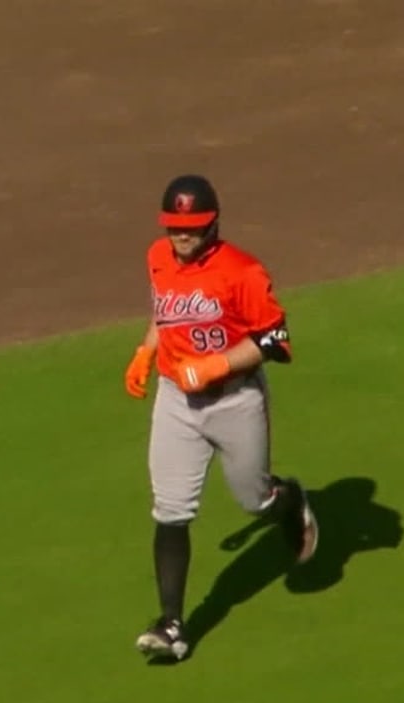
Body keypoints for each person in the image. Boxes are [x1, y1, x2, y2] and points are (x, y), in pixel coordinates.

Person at [123, 174, 319, 660]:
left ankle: (289, 501)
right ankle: (172, 625)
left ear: (212, 225)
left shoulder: (242, 272)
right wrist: (146, 351)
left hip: (235, 401)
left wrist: (218, 364)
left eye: (191, 227)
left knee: (254, 500)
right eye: (174, 227)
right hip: (175, 402)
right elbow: (165, 313)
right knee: (170, 510)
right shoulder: (157, 258)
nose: (181, 236)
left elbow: (276, 340)